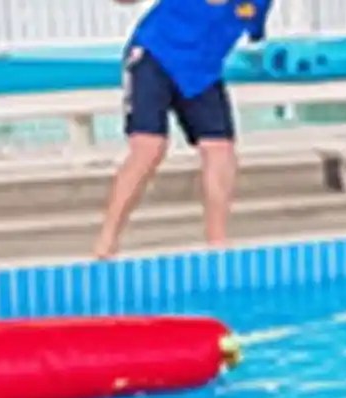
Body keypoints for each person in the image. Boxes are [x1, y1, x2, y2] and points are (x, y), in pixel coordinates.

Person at [95, 0, 273, 259]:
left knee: (220, 149)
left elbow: (254, 34)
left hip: (202, 74)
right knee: (149, 147)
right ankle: (107, 241)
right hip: (155, 57)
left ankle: (217, 243)